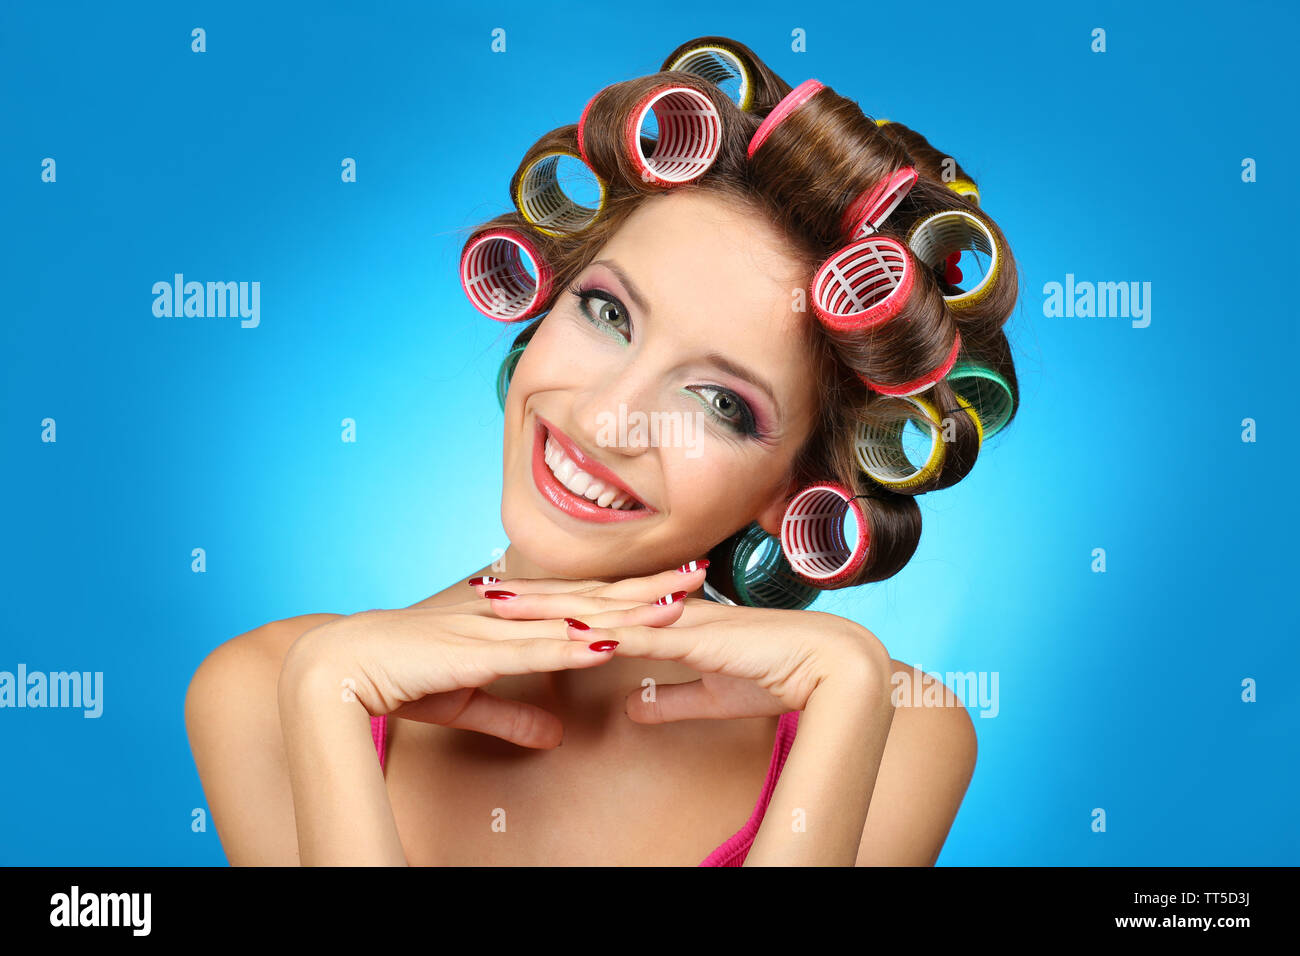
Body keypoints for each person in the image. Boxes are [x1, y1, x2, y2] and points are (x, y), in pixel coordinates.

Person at [185, 35, 1020, 866]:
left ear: (801, 485)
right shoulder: (269, 691)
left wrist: (848, 692)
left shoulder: (893, 729)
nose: (609, 417)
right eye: (609, 314)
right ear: (546, 300)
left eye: (722, 403)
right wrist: (327, 695)